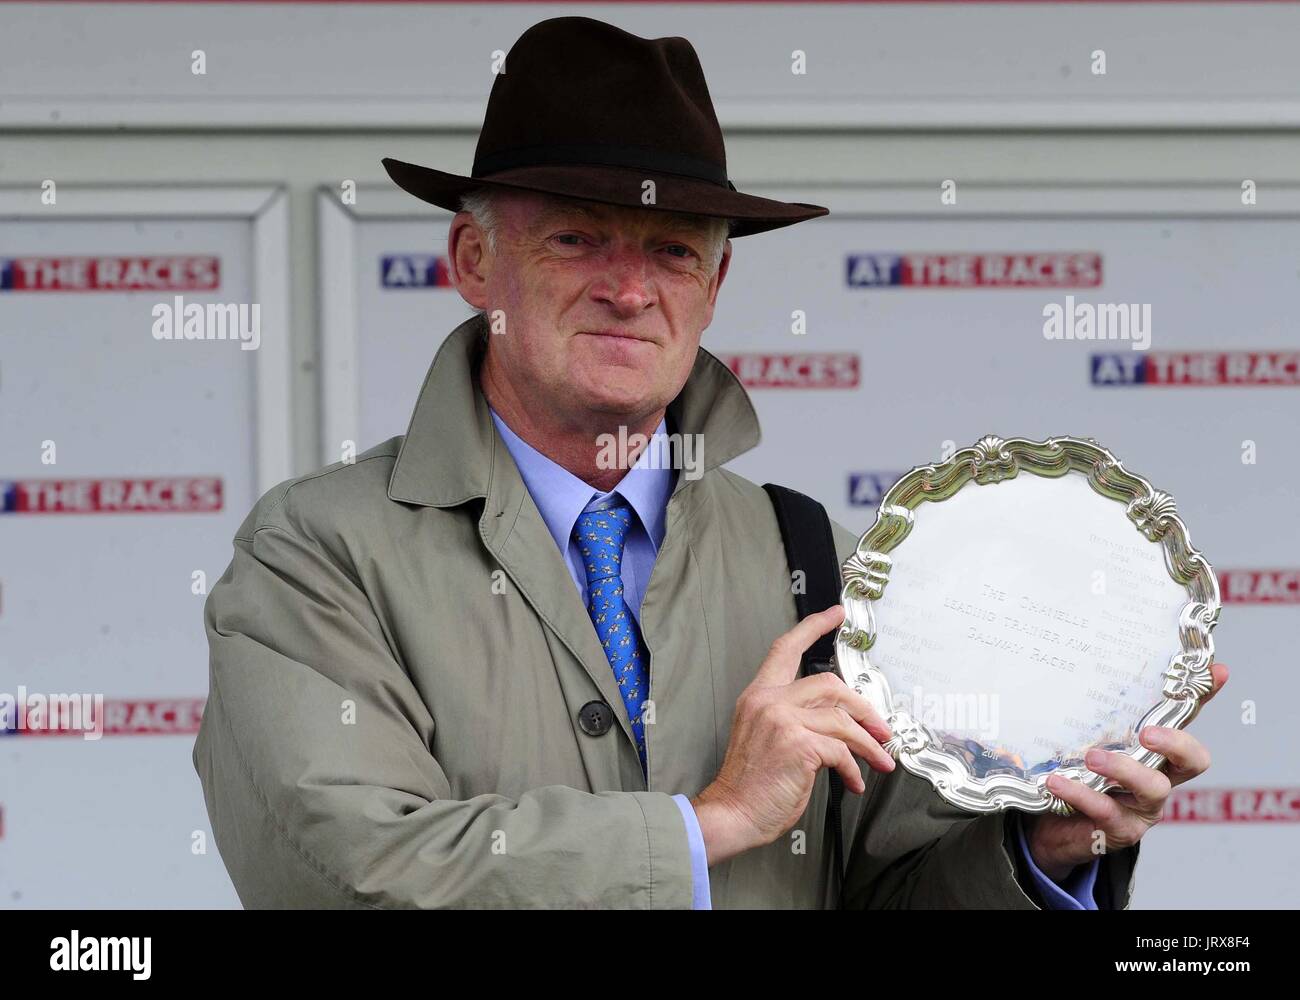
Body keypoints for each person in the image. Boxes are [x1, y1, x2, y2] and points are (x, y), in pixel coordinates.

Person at [192, 15, 1226, 909]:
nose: (629, 289)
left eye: (672, 250)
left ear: (716, 284)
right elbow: (341, 874)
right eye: (576, 240)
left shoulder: (814, 556)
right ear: (474, 264)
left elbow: (888, 894)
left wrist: (1037, 852)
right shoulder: (319, 550)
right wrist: (709, 822)